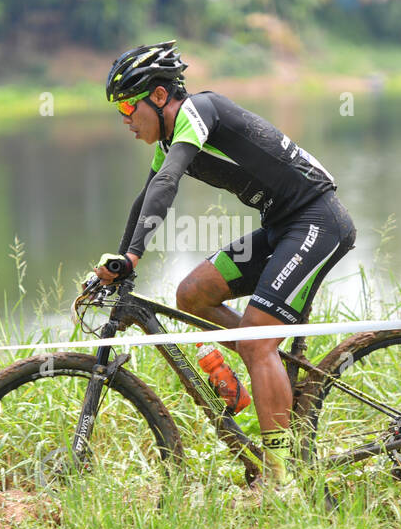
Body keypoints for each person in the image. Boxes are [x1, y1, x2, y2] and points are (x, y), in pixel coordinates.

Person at [95, 40, 356, 486]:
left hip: (317, 221)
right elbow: (147, 198)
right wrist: (121, 261)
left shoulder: (199, 110)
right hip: (282, 226)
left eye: (127, 107)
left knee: (257, 343)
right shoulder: (172, 137)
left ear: (159, 97)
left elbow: (170, 182)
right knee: (192, 294)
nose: (125, 120)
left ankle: (281, 480)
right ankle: (268, 369)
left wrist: (134, 253)